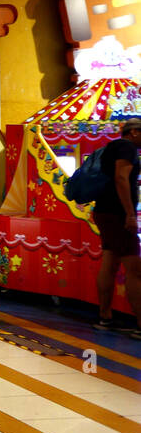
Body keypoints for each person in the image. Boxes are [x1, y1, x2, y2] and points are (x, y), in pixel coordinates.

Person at [93, 118, 141, 332]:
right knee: (135, 270)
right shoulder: (127, 148)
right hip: (118, 214)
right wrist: (130, 214)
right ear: (134, 133)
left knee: (110, 261)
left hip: (104, 211)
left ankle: (104, 317)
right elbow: (121, 178)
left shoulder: (112, 147)